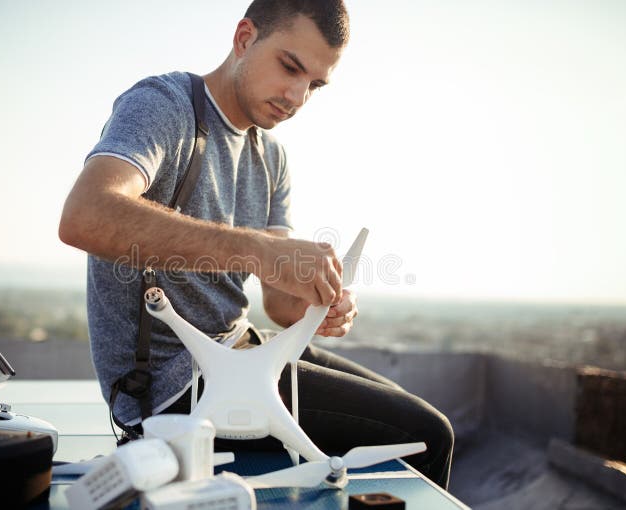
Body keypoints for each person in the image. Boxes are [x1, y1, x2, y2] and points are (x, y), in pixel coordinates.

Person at [59, 0, 454, 488]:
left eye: (315, 84)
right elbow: (84, 215)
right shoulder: (164, 106)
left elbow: (281, 304)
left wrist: (318, 304)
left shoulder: (271, 157)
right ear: (244, 37)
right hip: (176, 387)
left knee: (407, 412)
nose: (297, 97)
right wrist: (258, 250)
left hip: (246, 352)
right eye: (290, 66)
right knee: (428, 436)